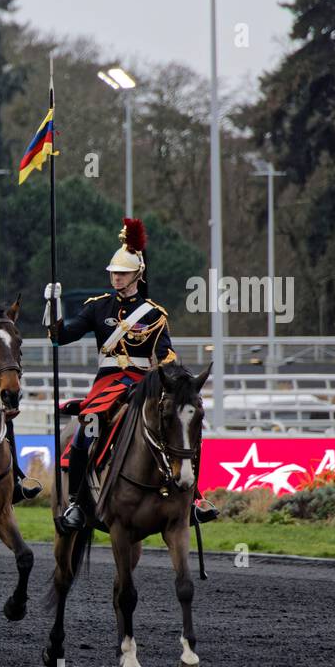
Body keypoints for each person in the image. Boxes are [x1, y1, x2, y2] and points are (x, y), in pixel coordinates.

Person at [48, 217, 216, 532]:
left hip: (143, 383)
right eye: (113, 274)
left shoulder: (153, 314)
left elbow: (166, 352)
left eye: (122, 273)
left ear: (137, 274)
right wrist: (52, 308)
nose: (116, 279)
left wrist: (170, 373)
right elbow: (63, 336)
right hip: (107, 386)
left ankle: (193, 497)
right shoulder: (97, 308)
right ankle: (76, 503)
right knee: (87, 433)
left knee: (182, 428)